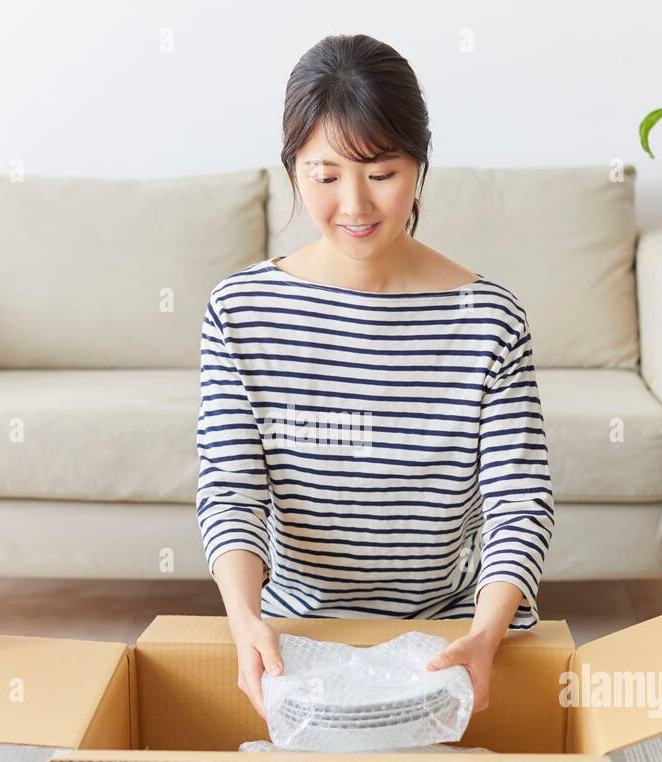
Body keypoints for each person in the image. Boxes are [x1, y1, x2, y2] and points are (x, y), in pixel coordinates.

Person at [196, 34, 554, 721]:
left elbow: (518, 502)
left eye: (381, 173)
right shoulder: (241, 311)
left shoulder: (489, 320)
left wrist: (483, 635)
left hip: (451, 632)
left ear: (419, 166)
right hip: (301, 640)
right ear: (292, 171)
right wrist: (244, 620)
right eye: (324, 176)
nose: (354, 206)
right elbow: (232, 494)